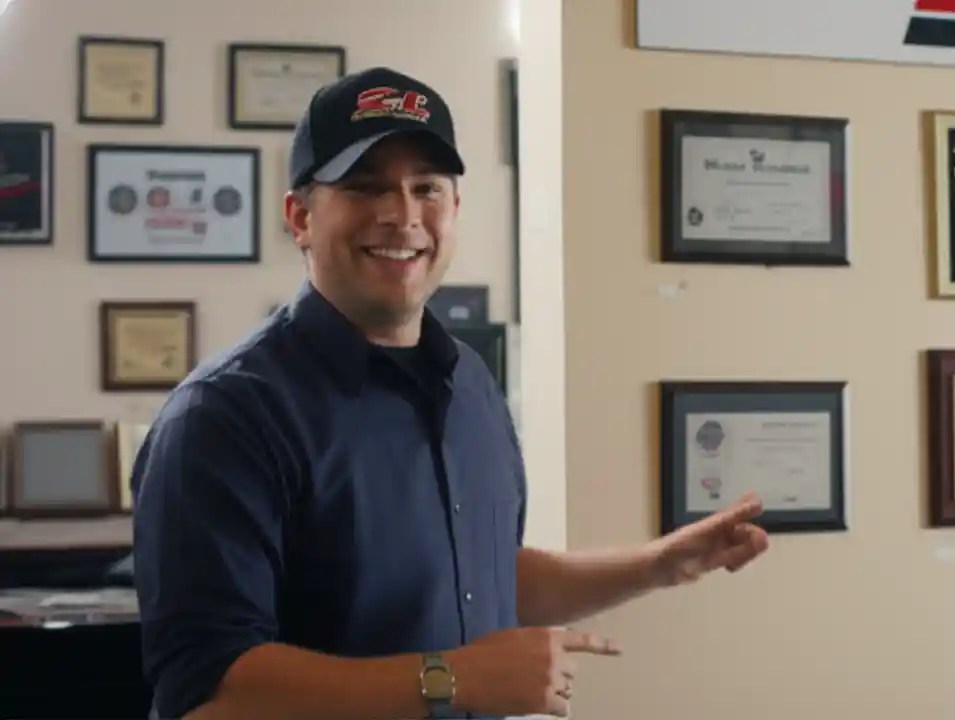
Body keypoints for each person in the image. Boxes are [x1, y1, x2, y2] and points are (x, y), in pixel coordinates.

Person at [130, 65, 770, 720]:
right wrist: (451, 680)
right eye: (363, 186)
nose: (401, 214)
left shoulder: (471, 383)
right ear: (300, 215)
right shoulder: (223, 417)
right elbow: (209, 695)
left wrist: (661, 563)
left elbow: (488, 580)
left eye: (425, 188)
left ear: (454, 209)